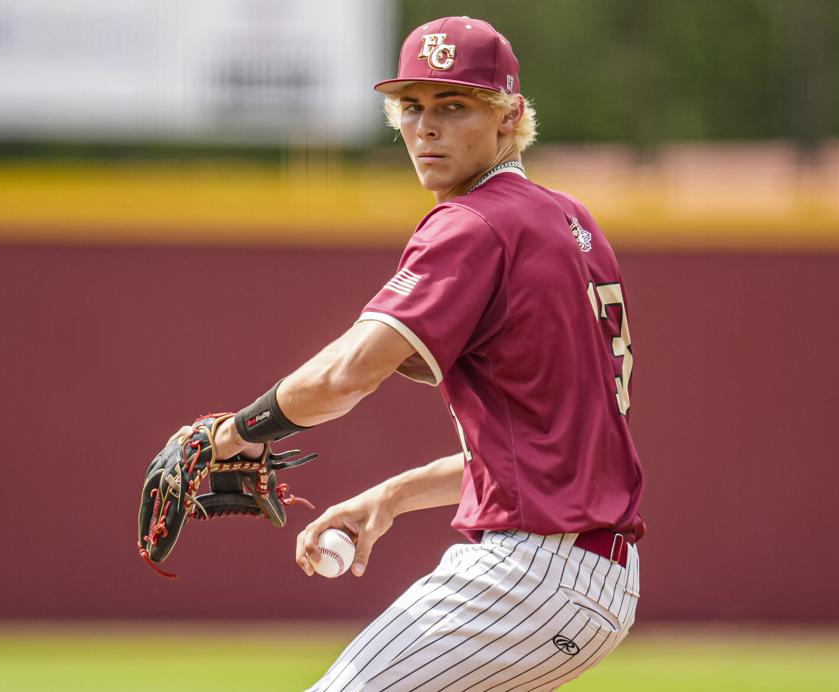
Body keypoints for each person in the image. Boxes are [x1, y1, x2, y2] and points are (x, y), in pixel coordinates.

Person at [206, 16, 645, 690]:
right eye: (410, 107)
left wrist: (241, 431)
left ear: (510, 117)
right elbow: (539, 452)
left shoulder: (474, 221)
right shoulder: (568, 220)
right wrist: (390, 496)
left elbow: (348, 373)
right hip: (593, 578)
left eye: (453, 105)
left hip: (528, 575)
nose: (426, 126)